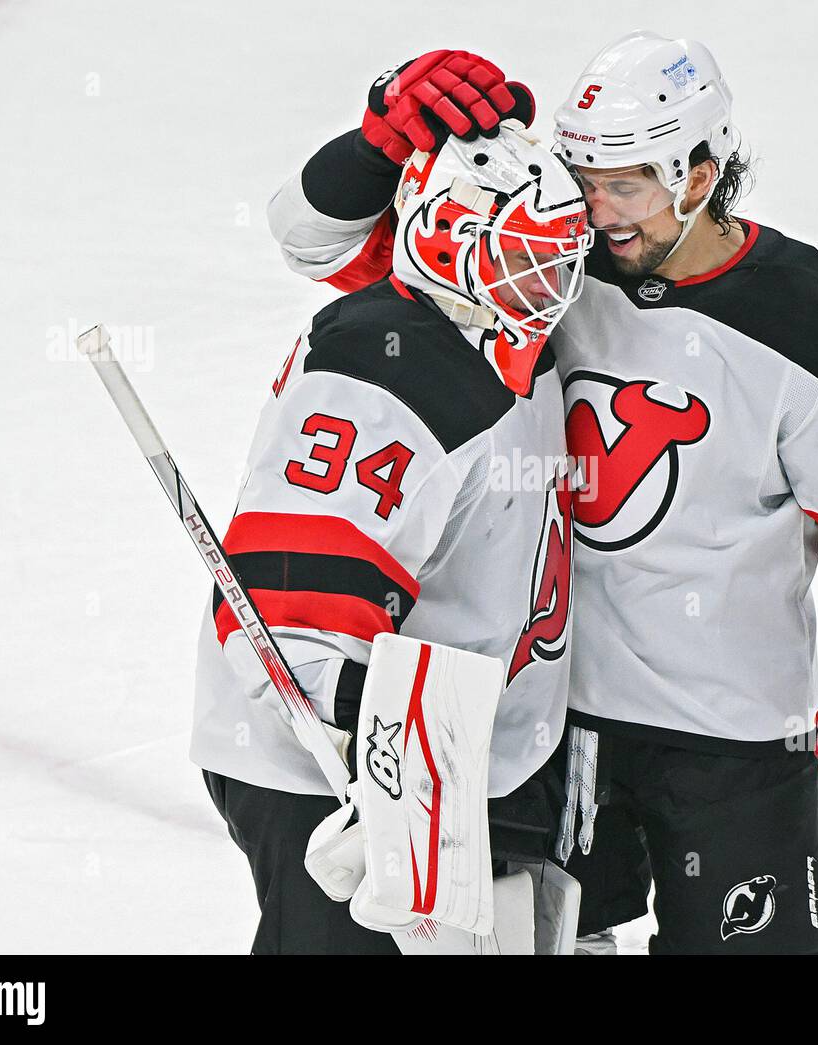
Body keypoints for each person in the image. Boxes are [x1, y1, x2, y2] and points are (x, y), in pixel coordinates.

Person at [266, 33, 818, 954]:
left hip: (735, 745)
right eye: (584, 177)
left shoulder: (810, 320)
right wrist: (376, 139)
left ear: (701, 172)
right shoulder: (544, 267)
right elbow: (318, 243)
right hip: (559, 736)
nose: (596, 210)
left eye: (625, 184)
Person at [191, 104, 593, 953]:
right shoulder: (380, 370)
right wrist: (395, 786)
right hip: (333, 772)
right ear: (448, 240)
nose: (548, 288)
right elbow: (294, 619)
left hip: (445, 761)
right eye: (523, 260)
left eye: (556, 258)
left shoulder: (490, 327)